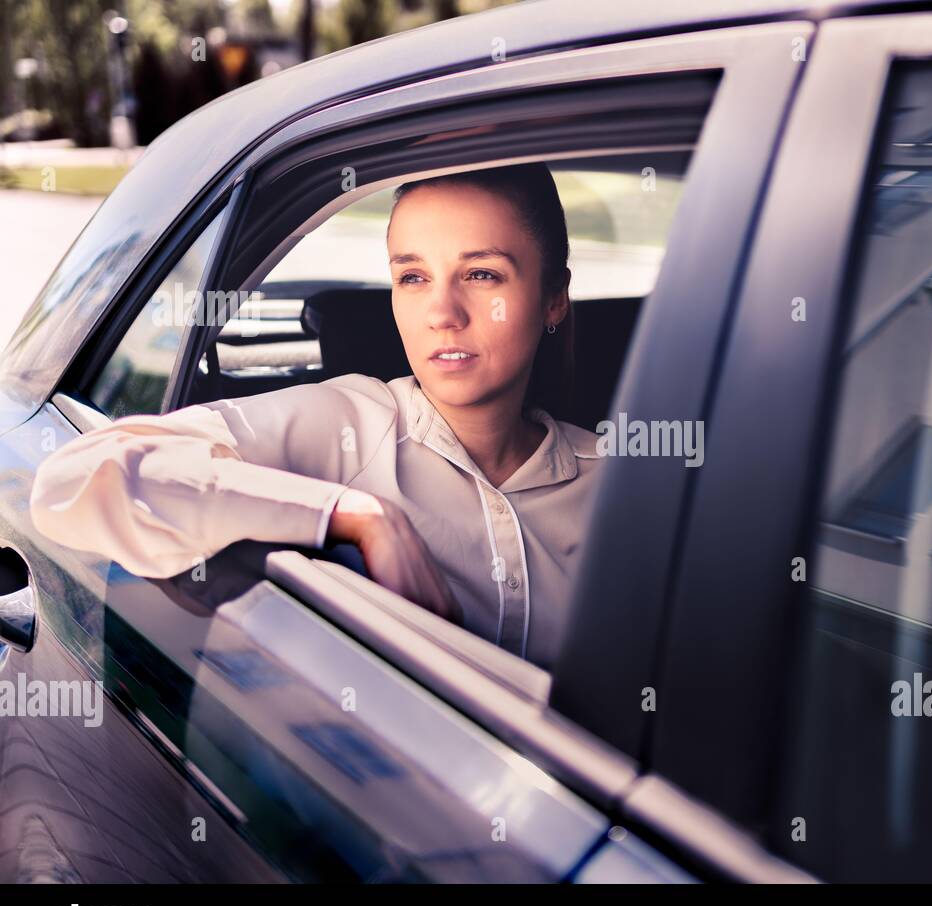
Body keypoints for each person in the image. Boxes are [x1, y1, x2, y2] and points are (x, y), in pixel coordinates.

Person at [29, 163, 603, 670]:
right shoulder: (346, 424)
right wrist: (351, 513)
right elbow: (72, 480)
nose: (442, 313)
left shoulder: (620, 481)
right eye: (413, 277)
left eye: (481, 275)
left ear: (554, 296)